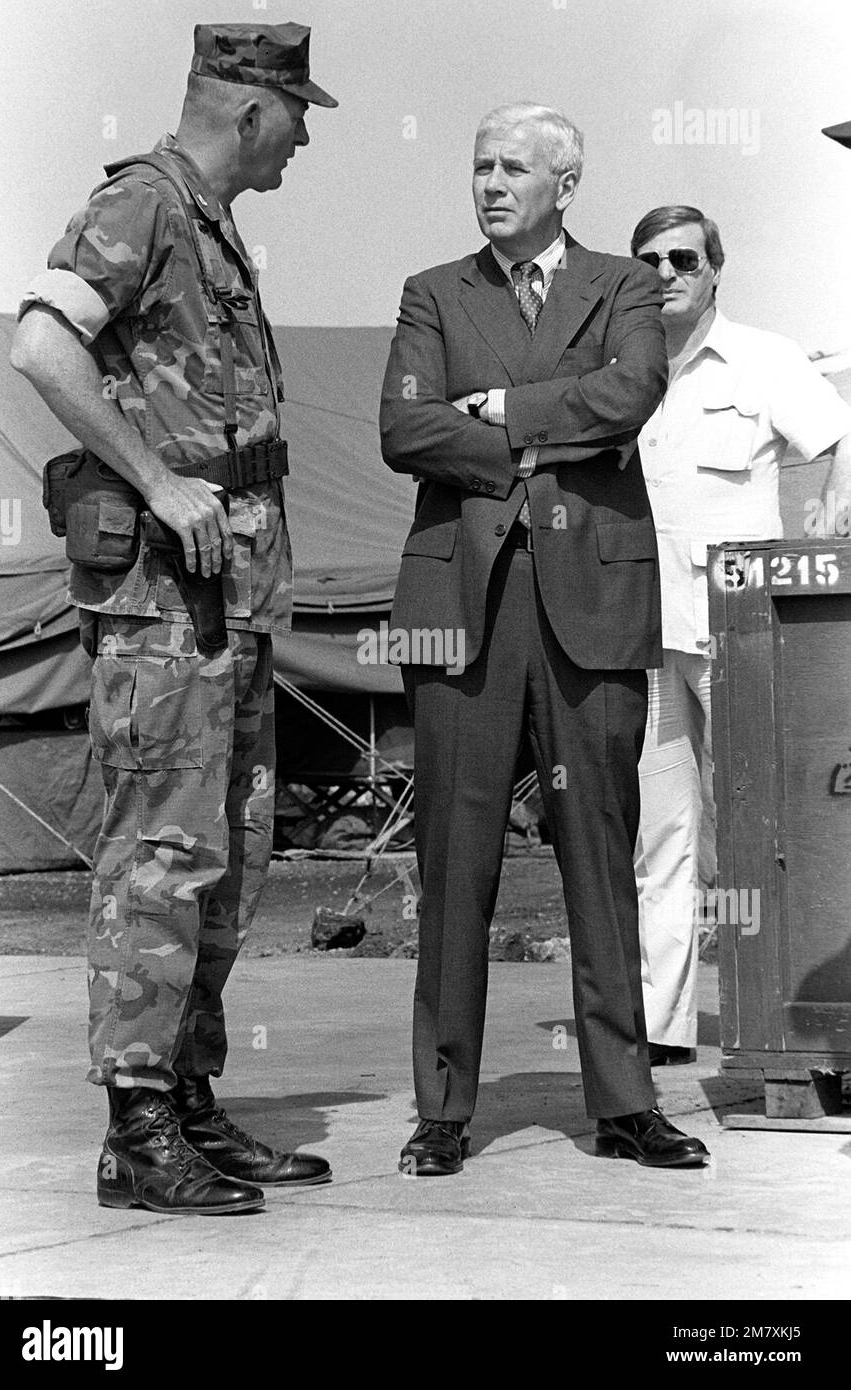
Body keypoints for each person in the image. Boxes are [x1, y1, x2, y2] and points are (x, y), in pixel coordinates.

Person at [11, 23, 338, 1214]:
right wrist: (153, 478)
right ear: (249, 110)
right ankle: (136, 1129)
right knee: (161, 853)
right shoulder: (146, 203)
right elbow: (41, 342)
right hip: (163, 597)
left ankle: (189, 1103)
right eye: (297, 113)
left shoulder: (206, 220)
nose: (304, 135)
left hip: (230, 596)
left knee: (230, 856)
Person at [380, 103, 709, 1174]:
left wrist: (496, 411)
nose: (489, 182)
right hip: (462, 611)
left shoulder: (624, 283)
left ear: (566, 184)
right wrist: (545, 430)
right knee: (455, 862)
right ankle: (442, 1109)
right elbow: (403, 428)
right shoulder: (434, 291)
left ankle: (623, 1101)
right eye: (480, 164)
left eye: (513, 166)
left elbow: (633, 390)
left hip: (593, 605)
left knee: (601, 857)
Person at [630, 205, 851, 1065]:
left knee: (762, 832)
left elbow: (834, 434)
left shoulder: (762, 358)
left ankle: (778, 1018)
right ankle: (661, 1025)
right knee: (661, 837)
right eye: (647, 259)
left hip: (738, 638)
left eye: (682, 258)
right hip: (644, 636)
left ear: (715, 267)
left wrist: (832, 507)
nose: (665, 273)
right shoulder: (621, 368)